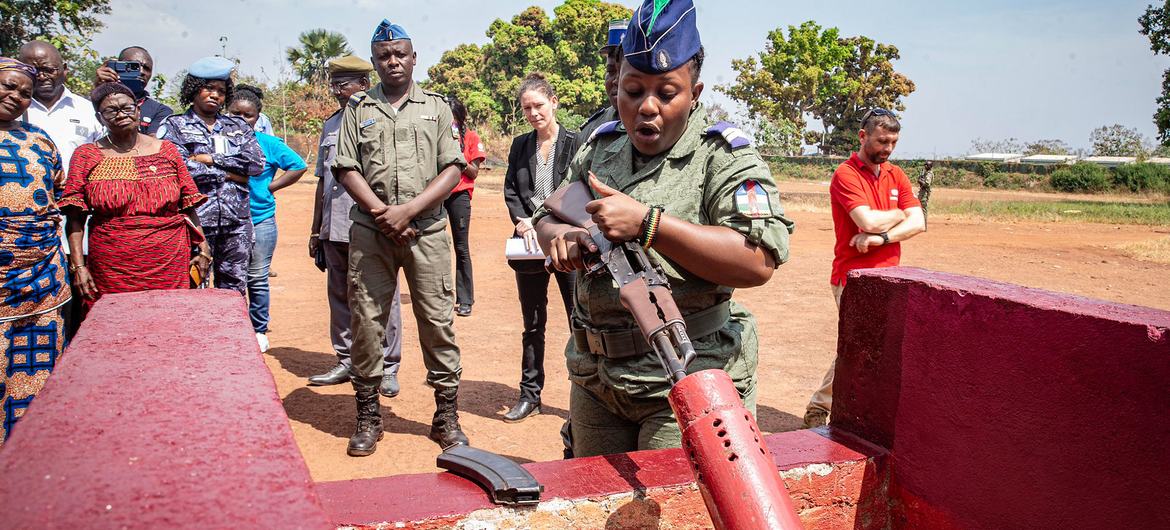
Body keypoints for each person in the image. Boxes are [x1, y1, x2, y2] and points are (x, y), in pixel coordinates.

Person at [533, 0, 794, 457]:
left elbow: (757, 261)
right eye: (633, 91)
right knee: (596, 494)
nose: (647, 107)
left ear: (695, 92)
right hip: (596, 377)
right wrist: (562, 239)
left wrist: (648, 224)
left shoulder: (723, 157)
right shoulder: (601, 148)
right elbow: (549, 215)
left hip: (687, 373)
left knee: (673, 497)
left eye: (667, 93)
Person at [331, 20, 469, 456]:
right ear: (374, 63)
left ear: (413, 58)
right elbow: (345, 167)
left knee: (437, 322)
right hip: (371, 234)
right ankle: (368, 417)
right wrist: (384, 214)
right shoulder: (359, 109)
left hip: (426, 232)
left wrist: (407, 211)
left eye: (400, 54)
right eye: (384, 56)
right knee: (366, 323)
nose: (393, 61)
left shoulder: (437, 107)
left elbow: (453, 167)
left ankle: (446, 417)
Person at [800, 108, 926, 428]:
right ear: (862, 136)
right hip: (852, 278)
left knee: (867, 347)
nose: (888, 148)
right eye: (882, 141)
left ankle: (833, 409)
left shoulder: (896, 174)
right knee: (859, 346)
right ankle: (821, 408)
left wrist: (881, 237)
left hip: (889, 277)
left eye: (893, 142)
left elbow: (919, 223)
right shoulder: (846, 174)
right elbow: (866, 220)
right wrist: (898, 214)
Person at [60, 82, 210, 312]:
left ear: (138, 111)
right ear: (100, 118)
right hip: (111, 264)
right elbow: (74, 218)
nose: (121, 114)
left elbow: (188, 206)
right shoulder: (86, 156)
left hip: (168, 260)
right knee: (114, 321)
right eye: (111, 110)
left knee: (168, 318)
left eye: (127, 108)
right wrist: (79, 266)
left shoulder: (167, 151)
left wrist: (204, 249)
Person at [307, 55, 403, 394]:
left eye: (343, 84)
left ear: (364, 84)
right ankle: (347, 359)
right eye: (334, 84)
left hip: (370, 223)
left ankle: (387, 366)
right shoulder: (331, 125)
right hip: (334, 225)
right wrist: (316, 229)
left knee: (382, 296)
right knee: (340, 295)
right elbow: (323, 181)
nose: (336, 90)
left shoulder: (380, 119)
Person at [0, 58, 72, 445]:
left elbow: (59, 192)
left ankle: (30, 450)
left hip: (42, 276)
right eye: (8, 86)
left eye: (25, 93)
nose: (16, 96)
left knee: (39, 365)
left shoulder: (40, 139)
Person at [501, 72, 579, 423]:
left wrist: (551, 223)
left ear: (554, 102)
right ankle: (530, 395)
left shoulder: (576, 142)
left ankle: (586, 398)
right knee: (532, 323)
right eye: (526, 108)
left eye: (539, 106)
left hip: (566, 244)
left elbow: (579, 190)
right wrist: (523, 221)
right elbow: (511, 190)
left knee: (580, 323)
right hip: (529, 244)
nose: (533, 113)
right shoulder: (520, 145)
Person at [18, 40, 102, 340]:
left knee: (83, 302)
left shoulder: (87, 110)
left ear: (64, 70)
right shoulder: (15, 107)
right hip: (28, 230)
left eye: (49, 69)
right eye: (33, 70)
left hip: (80, 225)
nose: (42, 76)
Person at [160, 57, 264, 296]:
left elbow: (256, 163)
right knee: (193, 289)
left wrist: (210, 159)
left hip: (236, 224)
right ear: (194, 89)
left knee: (234, 293)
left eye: (221, 91)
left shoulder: (237, 126)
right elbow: (180, 168)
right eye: (208, 88)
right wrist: (231, 175)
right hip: (195, 224)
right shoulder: (175, 125)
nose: (215, 95)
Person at [226, 84, 306, 352]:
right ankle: (230, 327)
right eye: (235, 113)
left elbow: (298, 166)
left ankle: (258, 330)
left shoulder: (267, 143)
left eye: (247, 115)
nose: (241, 119)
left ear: (257, 117)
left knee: (257, 277)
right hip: (226, 222)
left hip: (260, 219)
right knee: (228, 277)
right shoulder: (218, 143)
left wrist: (270, 188)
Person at [445, 95, 485, 317]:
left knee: (461, 247)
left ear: (460, 119)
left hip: (459, 196)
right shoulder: (437, 136)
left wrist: (457, 156)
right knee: (433, 245)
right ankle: (438, 296)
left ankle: (465, 298)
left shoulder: (471, 137)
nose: (449, 123)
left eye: (453, 119)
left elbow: (474, 172)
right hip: (437, 195)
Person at [93, 46, 173, 135]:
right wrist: (99, 88)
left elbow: (154, 142)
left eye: (147, 68)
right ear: (117, 68)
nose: (141, 72)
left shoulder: (160, 111)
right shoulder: (90, 105)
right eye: (135, 67)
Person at [578, 19, 628, 144]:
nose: (616, 80)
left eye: (625, 71)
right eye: (611, 71)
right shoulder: (590, 131)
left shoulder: (663, 129)